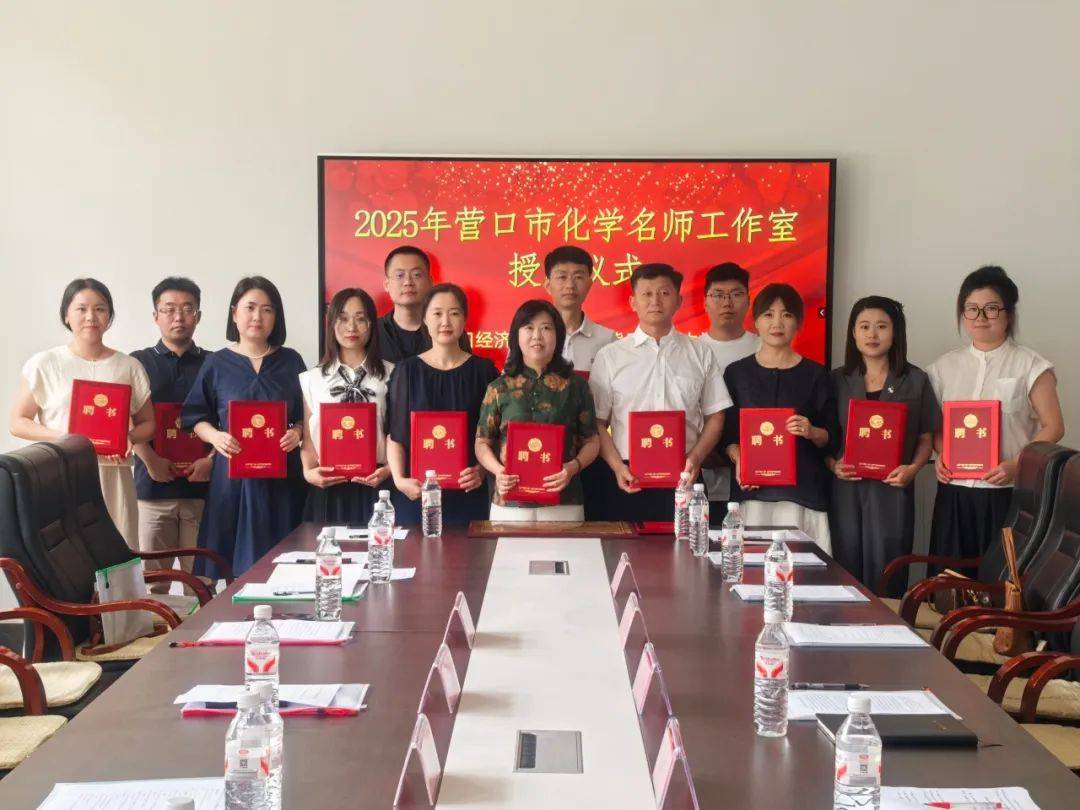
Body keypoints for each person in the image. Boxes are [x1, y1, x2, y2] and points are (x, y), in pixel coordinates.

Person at [928, 266, 1064, 561]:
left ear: (1009, 314)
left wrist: (1018, 464)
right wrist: (942, 453)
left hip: (1008, 490)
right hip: (955, 491)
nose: (980, 317)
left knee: (1002, 576)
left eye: (991, 308)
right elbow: (935, 425)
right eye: (971, 309)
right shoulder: (942, 368)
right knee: (951, 578)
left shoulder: (1031, 366)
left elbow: (1053, 426)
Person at [11, 278, 154, 550]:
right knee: (68, 556)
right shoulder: (45, 363)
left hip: (114, 475)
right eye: (81, 309)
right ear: (66, 314)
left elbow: (149, 423)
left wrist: (129, 436)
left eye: (100, 309)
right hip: (61, 472)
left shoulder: (128, 366)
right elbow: (18, 422)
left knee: (118, 555)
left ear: (109, 316)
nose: (91, 316)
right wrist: (66, 438)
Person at [181, 277, 306, 576]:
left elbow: (307, 414)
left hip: (282, 479)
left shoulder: (291, 361)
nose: (257, 316)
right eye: (250, 307)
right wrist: (216, 437)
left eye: (267, 309)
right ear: (234, 313)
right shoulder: (217, 363)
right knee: (230, 567)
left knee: (286, 566)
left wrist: (298, 432)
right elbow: (194, 416)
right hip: (232, 479)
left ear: (276, 317)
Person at [589, 263, 731, 522]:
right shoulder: (610, 356)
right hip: (627, 477)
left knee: (688, 546)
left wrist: (696, 457)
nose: (655, 301)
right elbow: (597, 422)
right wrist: (617, 467)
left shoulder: (699, 353)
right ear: (633, 302)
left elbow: (716, 415)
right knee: (625, 545)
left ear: (678, 301)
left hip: (685, 475)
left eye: (664, 293)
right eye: (646, 294)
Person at [828, 297, 940, 595]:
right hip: (846, 489)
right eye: (864, 327)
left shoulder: (915, 379)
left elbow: (926, 438)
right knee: (845, 569)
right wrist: (833, 465)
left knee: (888, 571)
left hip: (892, 489)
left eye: (881, 326)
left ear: (896, 332)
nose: (872, 334)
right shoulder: (837, 379)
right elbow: (826, 437)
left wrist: (913, 469)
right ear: (853, 333)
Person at [723, 283, 838, 552]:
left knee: (804, 571)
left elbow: (832, 437)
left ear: (798, 323)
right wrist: (739, 458)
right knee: (749, 569)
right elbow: (726, 436)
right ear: (756, 322)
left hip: (802, 495)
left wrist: (811, 431)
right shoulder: (737, 374)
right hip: (752, 495)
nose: (777, 323)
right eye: (768, 314)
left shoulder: (816, 374)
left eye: (786, 315)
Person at [475, 300, 600, 521]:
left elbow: (592, 441)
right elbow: (482, 442)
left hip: (564, 502)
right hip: (509, 504)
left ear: (558, 336)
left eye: (546, 328)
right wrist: (498, 471)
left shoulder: (577, 386)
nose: (537, 336)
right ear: (516, 335)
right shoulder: (498, 388)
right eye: (529, 327)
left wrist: (572, 467)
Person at [386, 283, 498, 526]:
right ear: (425, 319)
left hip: (468, 492)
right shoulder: (406, 371)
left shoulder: (484, 371)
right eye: (437, 313)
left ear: (465, 319)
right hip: (416, 493)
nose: (445, 321)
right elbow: (395, 435)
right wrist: (399, 479)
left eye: (454, 313)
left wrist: (481, 471)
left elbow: (495, 435)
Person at [130, 277, 213, 592]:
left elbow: (227, 420)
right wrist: (149, 459)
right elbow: (126, 420)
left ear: (198, 316)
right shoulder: (137, 362)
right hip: (152, 490)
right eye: (169, 309)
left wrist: (212, 460)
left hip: (202, 493)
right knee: (154, 586)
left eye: (187, 309)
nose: (179, 317)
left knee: (201, 584)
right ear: (156, 316)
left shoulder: (215, 363)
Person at [299, 287, 393, 524]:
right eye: (342, 318)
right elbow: (308, 439)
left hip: (378, 483)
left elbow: (397, 433)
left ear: (371, 325)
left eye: (360, 319)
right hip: (328, 484)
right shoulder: (312, 379)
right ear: (331, 324)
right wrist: (309, 472)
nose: (351, 327)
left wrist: (390, 469)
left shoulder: (391, 375)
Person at [696, 262, 761, 504]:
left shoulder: (765, 348)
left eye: (736, 294)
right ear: (705, 302)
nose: (727, 303)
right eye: (718, 295)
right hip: (699, 465)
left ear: (748, 300)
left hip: (754, 468)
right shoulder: (692, 351)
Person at [376, 245, 470, 361]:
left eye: (416, 275)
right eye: (400, 275)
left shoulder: (449, 330)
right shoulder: (373, 332)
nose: (408, 282)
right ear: (387, 285)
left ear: (430, 282)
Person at [542, 245, 617, 375]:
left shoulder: (607, 339)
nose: (570, 285)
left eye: (578, 277)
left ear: (589, 285)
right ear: (548, 285)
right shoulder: (531, 337)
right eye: (562, 277)